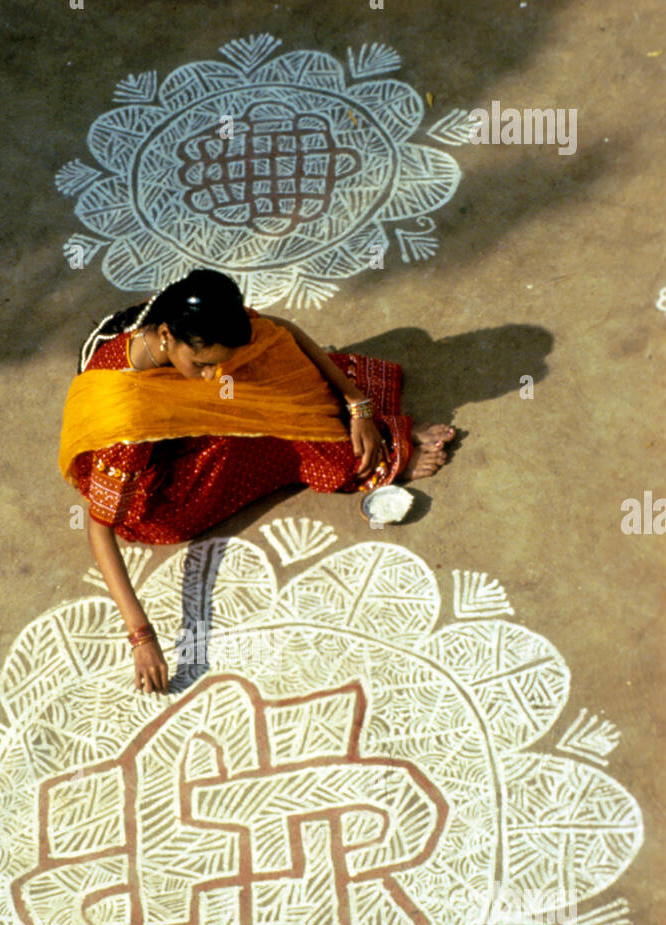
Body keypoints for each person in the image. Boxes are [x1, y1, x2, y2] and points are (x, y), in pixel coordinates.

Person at [58, 269, 455, 694]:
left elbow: (281, 331)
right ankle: (357, 440)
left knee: (269, 362)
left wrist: (357, 403)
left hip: (182, 418)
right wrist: (142, 637)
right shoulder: (127, 421)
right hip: (167, 496)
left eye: (216, 363)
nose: (213, 375)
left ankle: (354, 419)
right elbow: (99, 525)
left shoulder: (191, 317)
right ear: (167, 337)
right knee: (318, 452)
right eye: (203, 364)